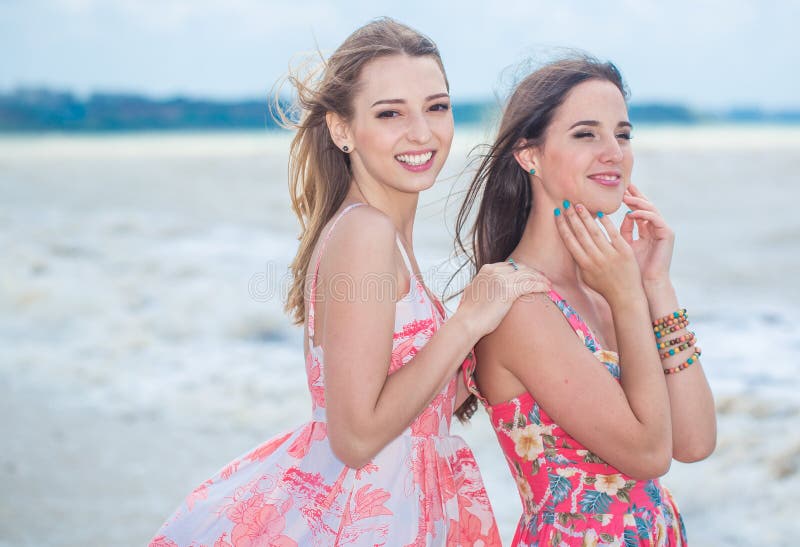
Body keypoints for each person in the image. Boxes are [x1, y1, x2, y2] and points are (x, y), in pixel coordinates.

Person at [149, 18, 550, 547]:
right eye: (390, 113)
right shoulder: (365, 232)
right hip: (365, 514)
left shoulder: (381, 234)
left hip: (397, 501)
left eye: (437, 106)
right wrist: (469, 320)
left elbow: (423, 405)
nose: (422, 132)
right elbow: (357, 436)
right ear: (342, 129)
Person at [454, 55, 717, 545]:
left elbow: (695, 440)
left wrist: (655, 285)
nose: (613, 151)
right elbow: (648, 455)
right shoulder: (519, 302)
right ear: (529, 154)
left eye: (622, 133)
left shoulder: (605, 285)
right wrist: (627, 299)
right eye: (585, 134)